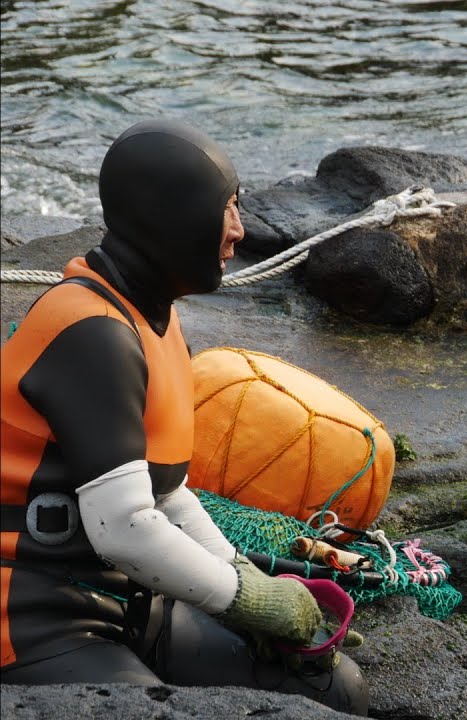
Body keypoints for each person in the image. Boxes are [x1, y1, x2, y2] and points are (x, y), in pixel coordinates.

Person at [0, 119, 368, 714]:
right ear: (167, 217)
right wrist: (246, 601)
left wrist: (249, 582)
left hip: (128, 598)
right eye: (225, 210)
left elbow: (167, 498)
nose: (238, 233)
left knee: (331, 688)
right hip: (31, 611)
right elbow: (122, 527)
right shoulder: (91, 332)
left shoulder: (153, 318)